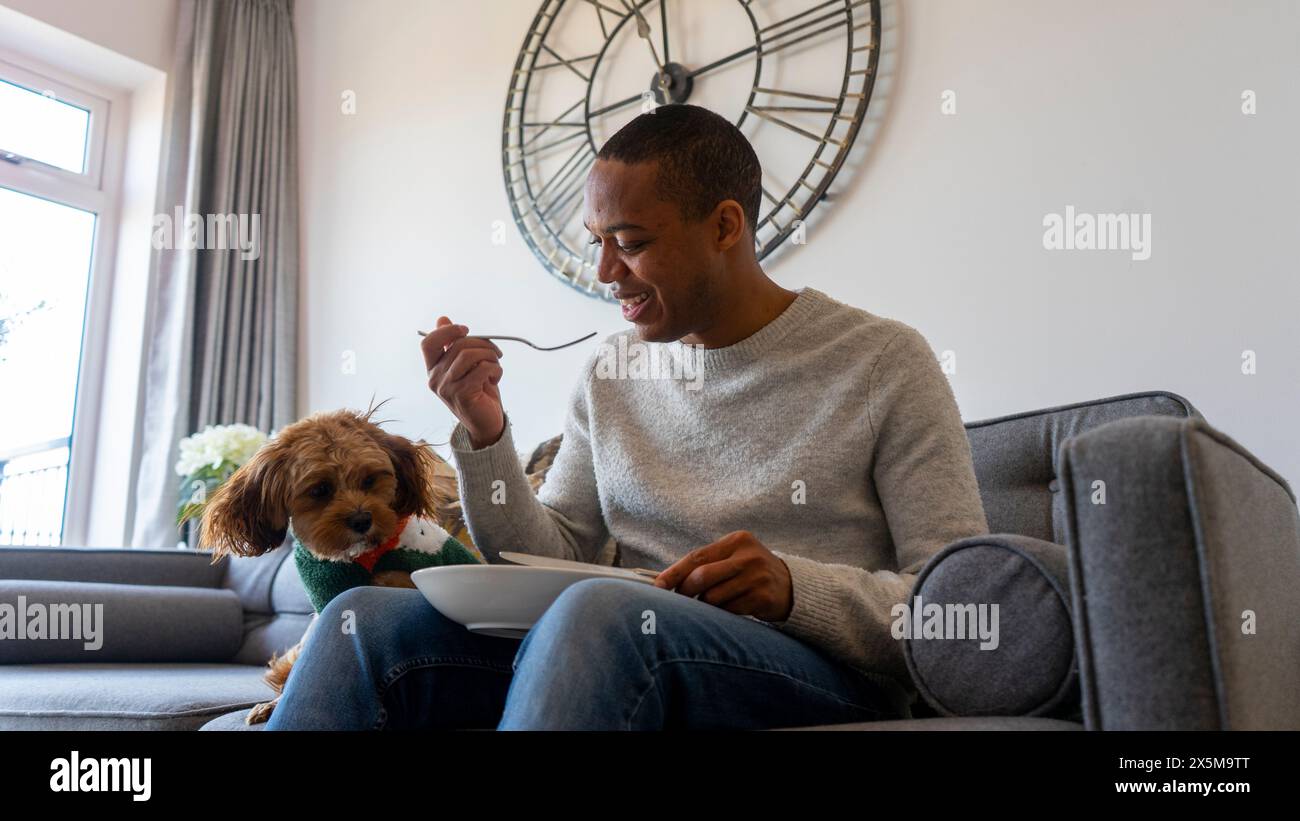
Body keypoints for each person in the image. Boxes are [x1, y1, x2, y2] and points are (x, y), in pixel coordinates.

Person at [265, 104, 988, 730]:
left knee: (600, 612)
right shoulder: (611, 373)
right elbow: (554, 548)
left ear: (726, 226)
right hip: (617, 642)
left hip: (816, 671)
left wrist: (797, 589)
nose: (606, 272)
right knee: (362, 620)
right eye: (597, 241)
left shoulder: (884, 361)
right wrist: (486, 434)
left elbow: (964, 611)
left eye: (632, 243)